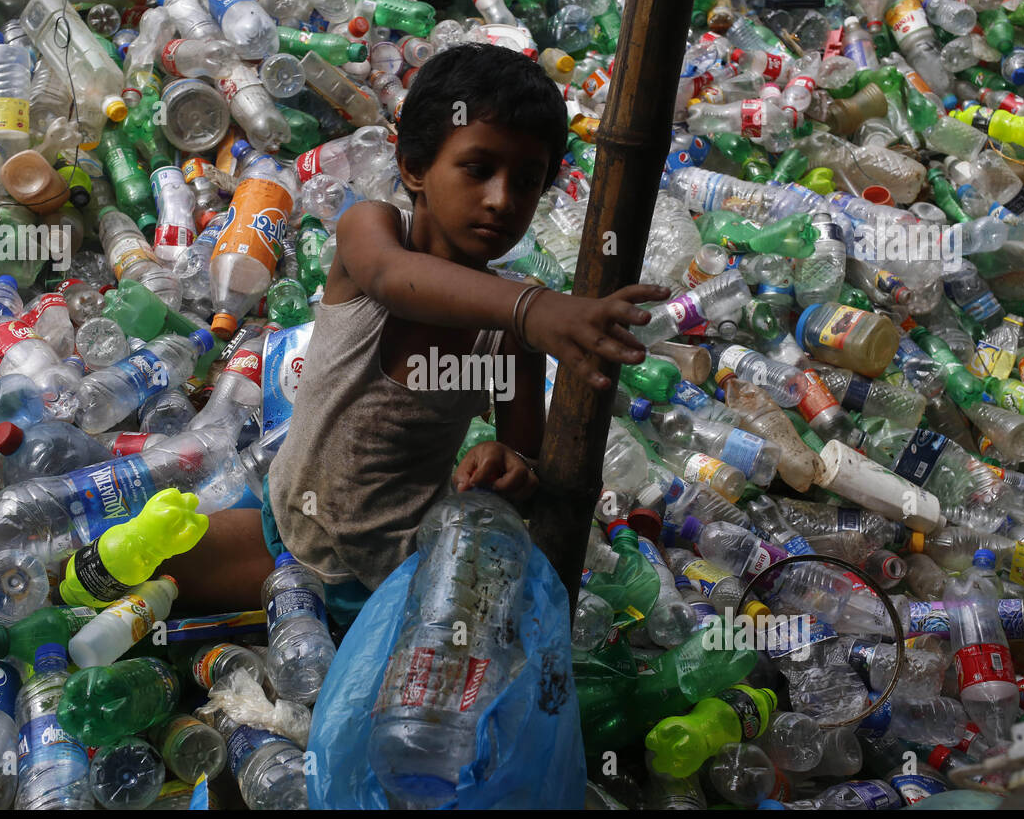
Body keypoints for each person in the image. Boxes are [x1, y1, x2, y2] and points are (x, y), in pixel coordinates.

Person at [164, 43, 668, 624]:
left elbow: (523, 456)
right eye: (478, 169)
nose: (502, 200)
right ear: (414, 167)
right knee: (119, 575)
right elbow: (393, 277)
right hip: (288, 520)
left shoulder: (505, 330)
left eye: (527, 181)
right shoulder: (374, 232)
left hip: (383, 577)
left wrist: (506, 463)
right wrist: (536, 309)